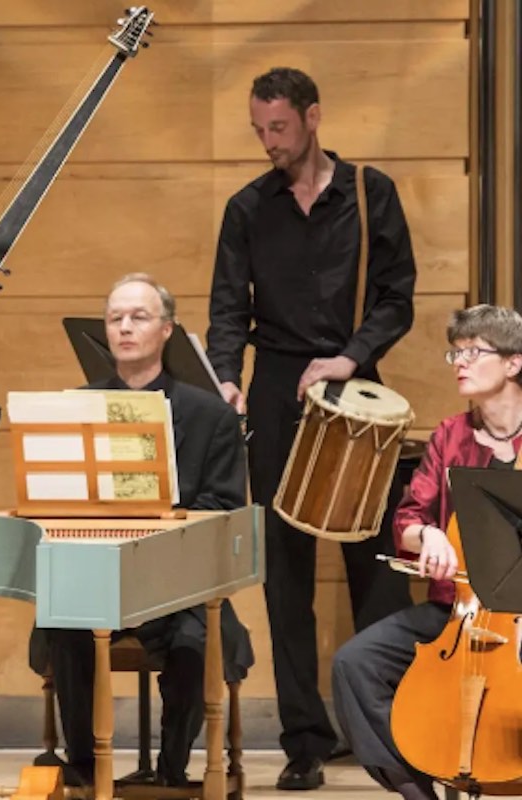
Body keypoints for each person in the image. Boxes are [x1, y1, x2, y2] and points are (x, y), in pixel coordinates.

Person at [205, 67, 417, 789]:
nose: (268, 142)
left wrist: (350, 357)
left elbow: (397, 298)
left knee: (380, 563)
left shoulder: (370, 193)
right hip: (277, 392)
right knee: (285, 574)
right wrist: (227, 376)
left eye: (280, 129)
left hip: (353, 384)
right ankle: (304, 740)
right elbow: (228, 308)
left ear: (313, 117)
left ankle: (395, 731)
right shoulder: (246, 208)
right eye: (260, 129)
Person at [34, 274, 253, 788]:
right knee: (62, 624)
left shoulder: (210, 417)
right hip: (98, 581)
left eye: (139, 317)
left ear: (168, 330)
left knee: (195, 642)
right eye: (116, 318)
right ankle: (87, 766)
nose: (125, 327)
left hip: (180, 587)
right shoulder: (78, 408)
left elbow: (222, 510)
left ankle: (170, 772)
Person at [331, 304, 522, 800]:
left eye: (473, 351)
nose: (460, 361)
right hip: (455, 614)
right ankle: (417, 793)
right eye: (454, 353)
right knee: (355, 664)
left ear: (513, 363)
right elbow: (407, 519)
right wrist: (428, 536)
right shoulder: (449, 436)